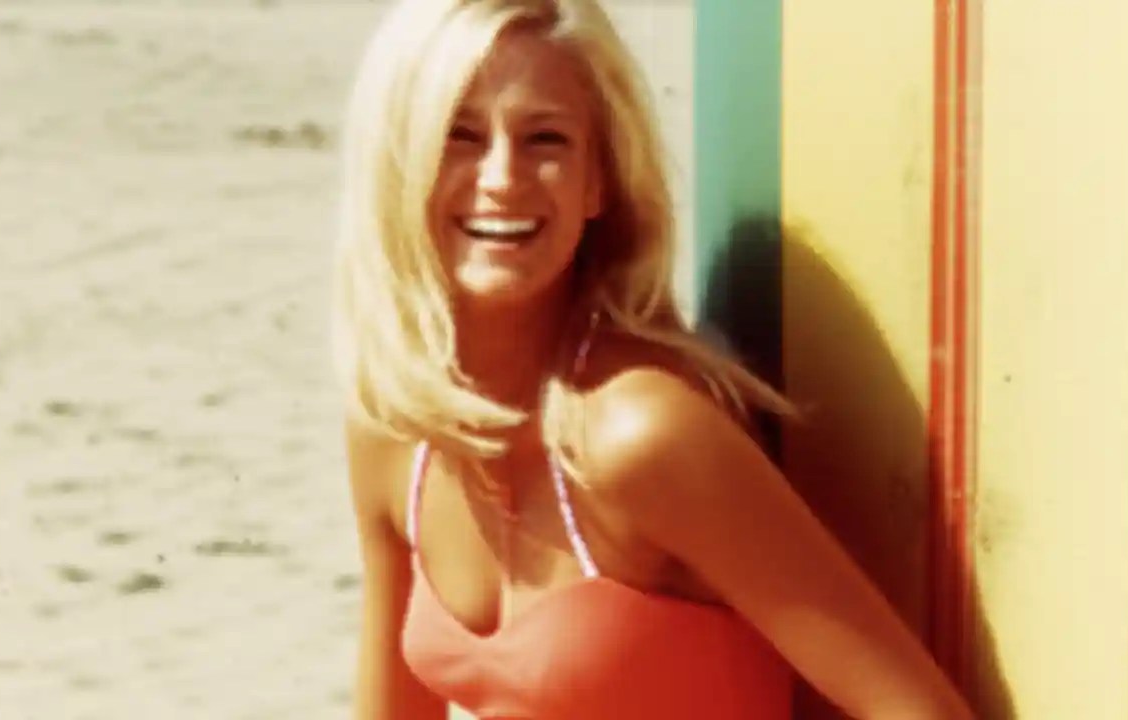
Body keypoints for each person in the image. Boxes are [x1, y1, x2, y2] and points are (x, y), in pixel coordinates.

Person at [333, 1, 974, 718]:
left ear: (597, 182)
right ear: (395, 162)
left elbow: (921, 711)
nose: (503, 177)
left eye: (546, 138)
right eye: (460, 136)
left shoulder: (643, 436)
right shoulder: (395, 426)